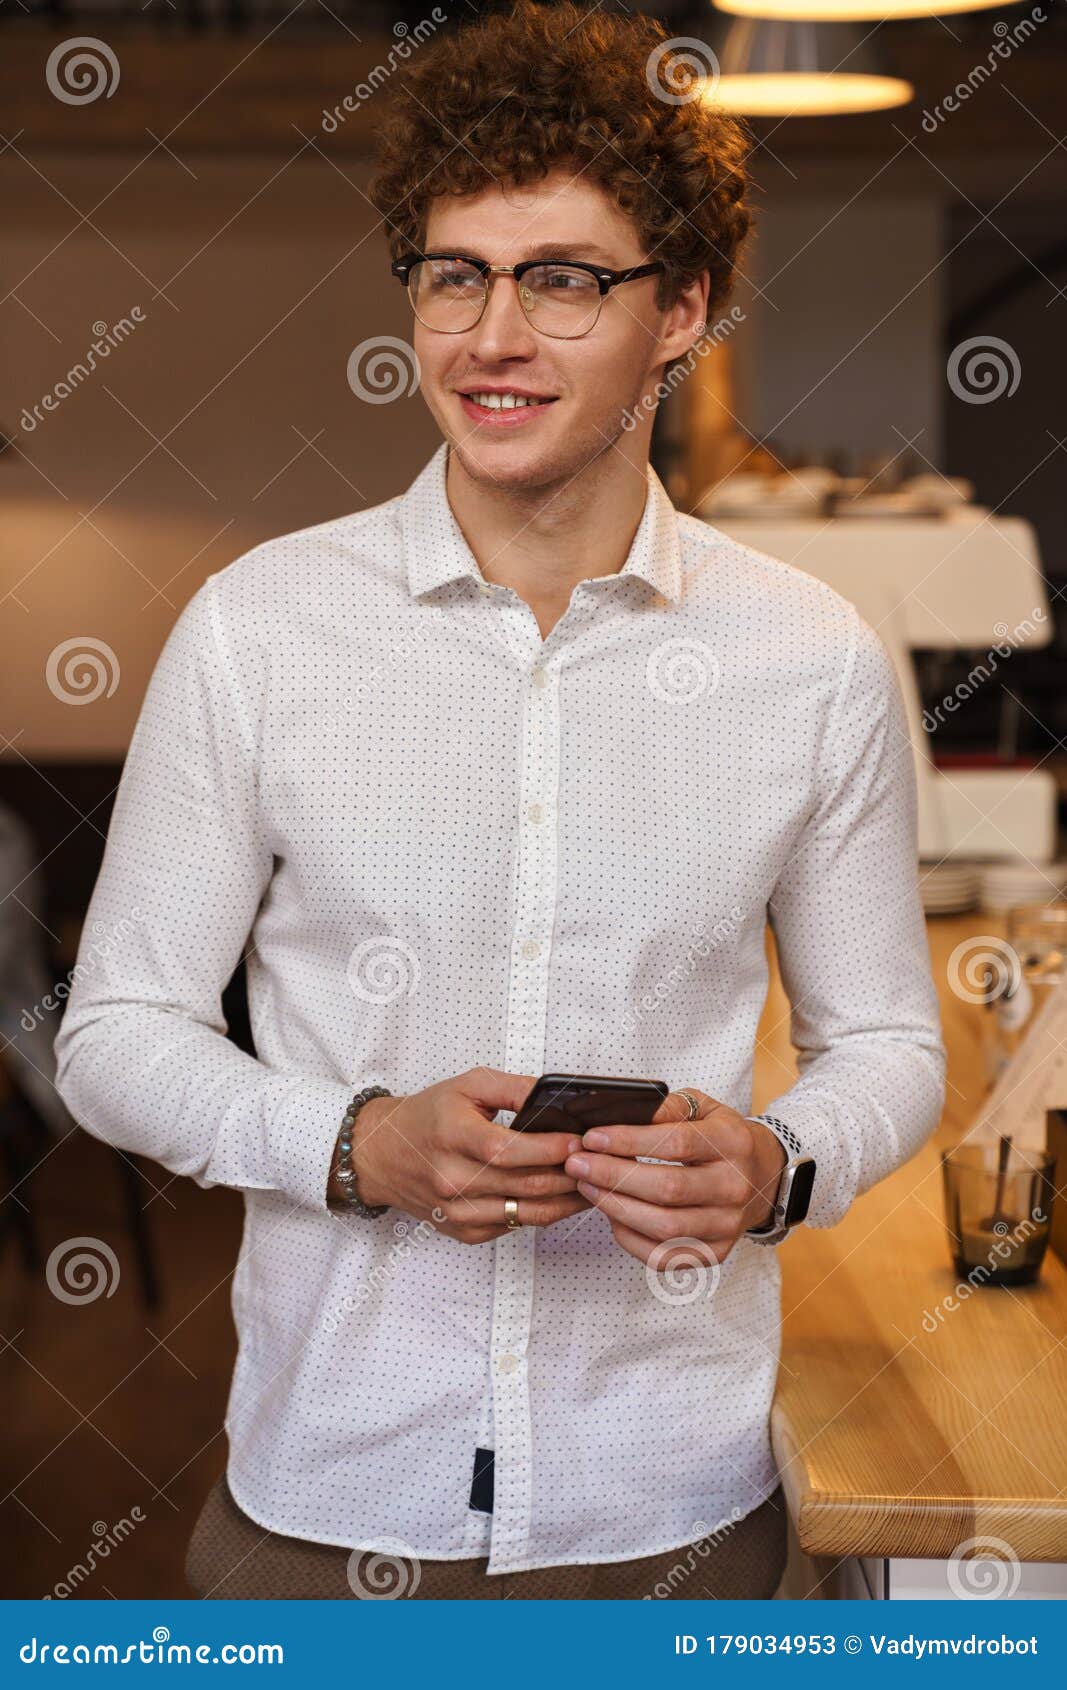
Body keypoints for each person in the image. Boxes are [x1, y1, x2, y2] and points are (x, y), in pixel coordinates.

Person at [53, 0, 945, 1601]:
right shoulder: (259, 629)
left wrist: (781, 1165)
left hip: (674, 1505)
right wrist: (348, 1142)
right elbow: (115, 1030)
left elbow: (886, 1043)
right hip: (329, 1498)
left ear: (684, 310)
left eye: (563, 281)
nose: (490, 339)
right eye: (455, 275)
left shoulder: (811, 657)